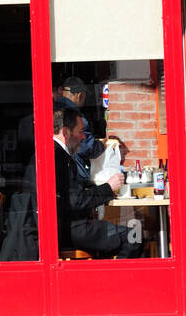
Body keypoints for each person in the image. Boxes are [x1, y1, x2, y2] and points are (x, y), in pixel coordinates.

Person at [53, 107, 140, 259]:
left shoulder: (56, 153)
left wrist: (100, 188)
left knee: (112, 240)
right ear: (66, 132)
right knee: (134, 235)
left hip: (66, 227)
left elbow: (72, 195)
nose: (83, 138)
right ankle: (117, 282)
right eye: (80, 132)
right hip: (72, 229)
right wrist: (108, 187)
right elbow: (75, 200)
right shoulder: (59, 158)